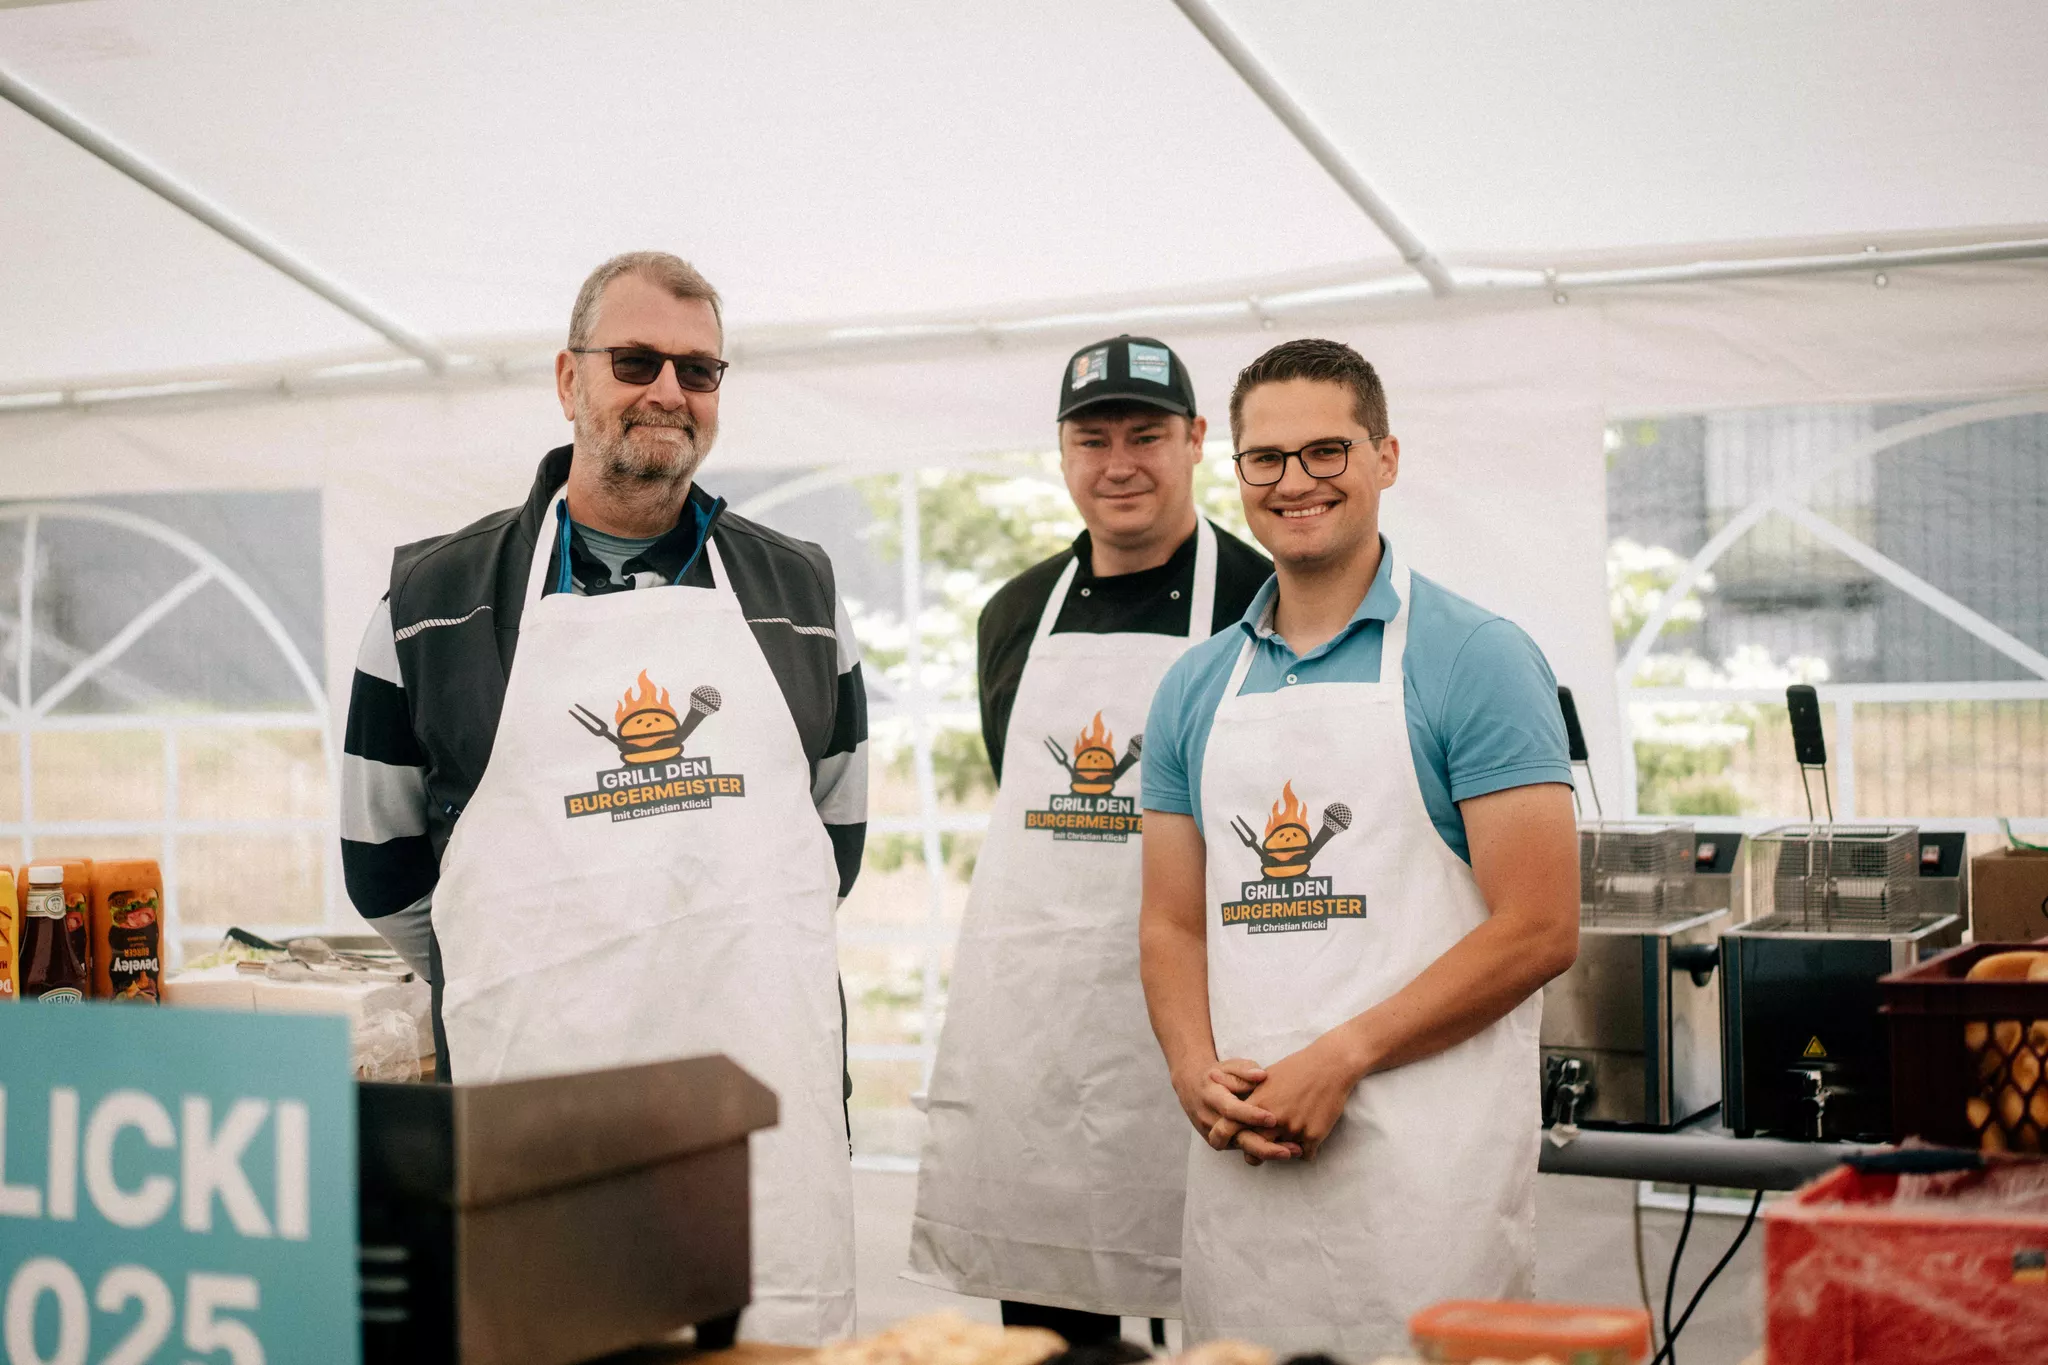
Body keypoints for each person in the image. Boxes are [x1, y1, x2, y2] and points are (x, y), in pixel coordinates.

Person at [339, 252, 863, 1345]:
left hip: (757, 1108)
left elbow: (836, 841)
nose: (669, 391)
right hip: (539, 1112)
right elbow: (380, 867)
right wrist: (536, 963)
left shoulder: (801, 591)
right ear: (567, 378)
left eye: (699, 370)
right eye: (634, 361)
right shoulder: (431, 599)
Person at [1137, 338, 1579, 1356]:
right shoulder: (1194, 687)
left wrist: (1340, 1057)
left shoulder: (1476, 659)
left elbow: (1539, 928)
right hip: (1240, 1186)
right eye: (1266, 458)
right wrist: (1192, 1068)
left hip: (1427, 1190)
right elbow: (1168, 922)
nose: (1294, 482)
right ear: (1235, 470)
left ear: (1385, 457)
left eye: (1326, 451)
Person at [908, 336, 1271, 1343]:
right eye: (1092, 437)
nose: (1119, 462)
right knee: (1050, 1323)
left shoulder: (1260, 598)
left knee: (1229, 1308)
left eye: (1146, 435)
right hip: (1047, 1026)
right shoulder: (1012, 614)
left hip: (1218, 1019)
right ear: (1061, 453)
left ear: (1195, 440)